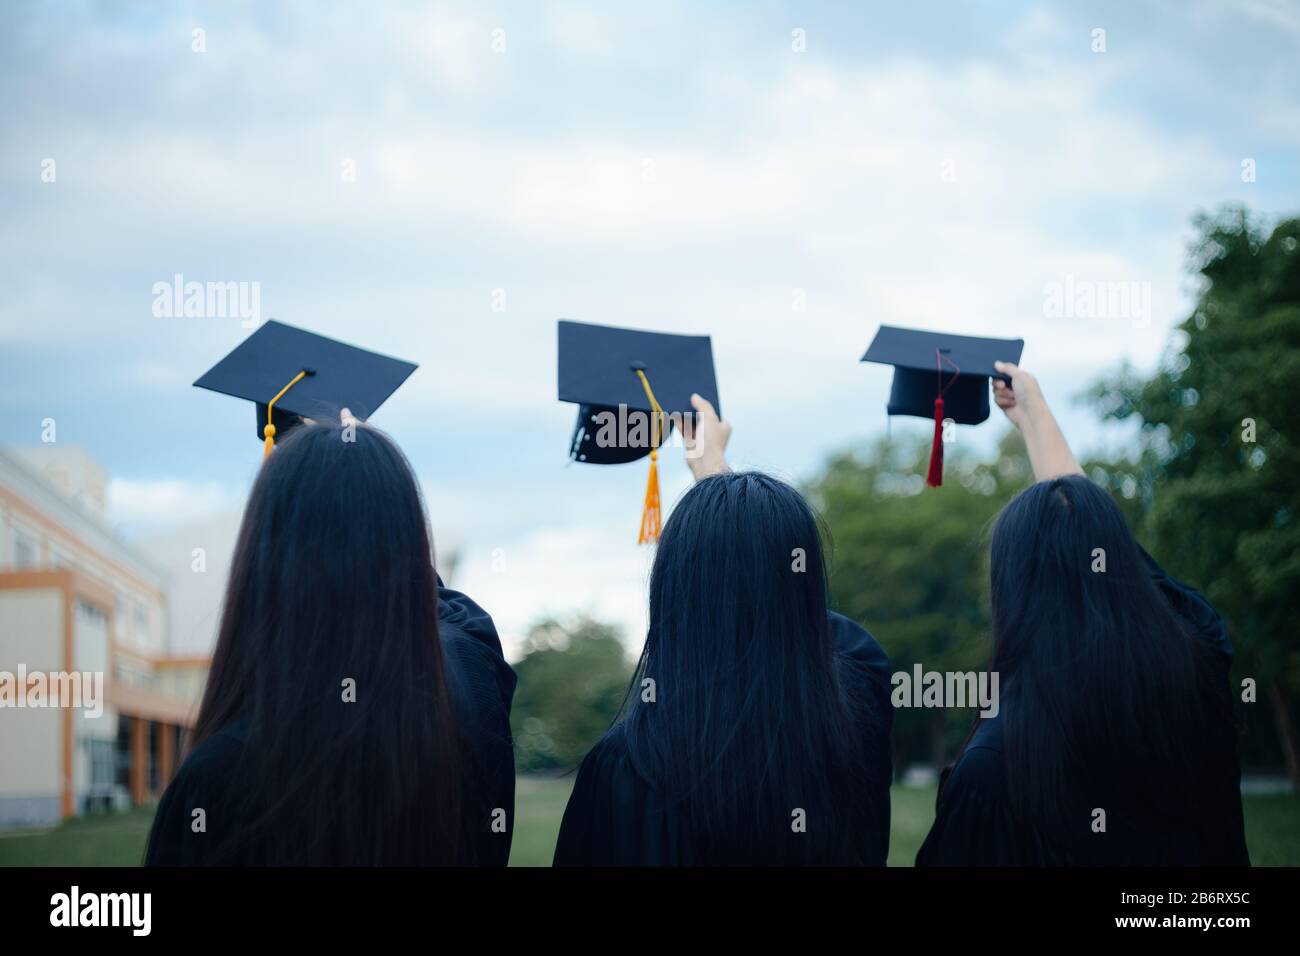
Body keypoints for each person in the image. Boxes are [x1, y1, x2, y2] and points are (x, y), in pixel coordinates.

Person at [916, 363, 1248, 866]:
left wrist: (1034, 417)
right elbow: (1124, 567)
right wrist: (1034, 414)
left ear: (1013, 592)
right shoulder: (1199, 663)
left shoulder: (997, 765)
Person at [145, 417, 516, 865]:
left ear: (266, 558)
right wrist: (380, 525)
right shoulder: (466, 728)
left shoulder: (220, 778)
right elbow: (464, 628)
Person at [554, 395, 894, 865]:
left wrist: (719, 510)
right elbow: (805, 626)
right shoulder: (854, 725)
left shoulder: (627, 769)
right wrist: (719, 479)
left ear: (671, 588)